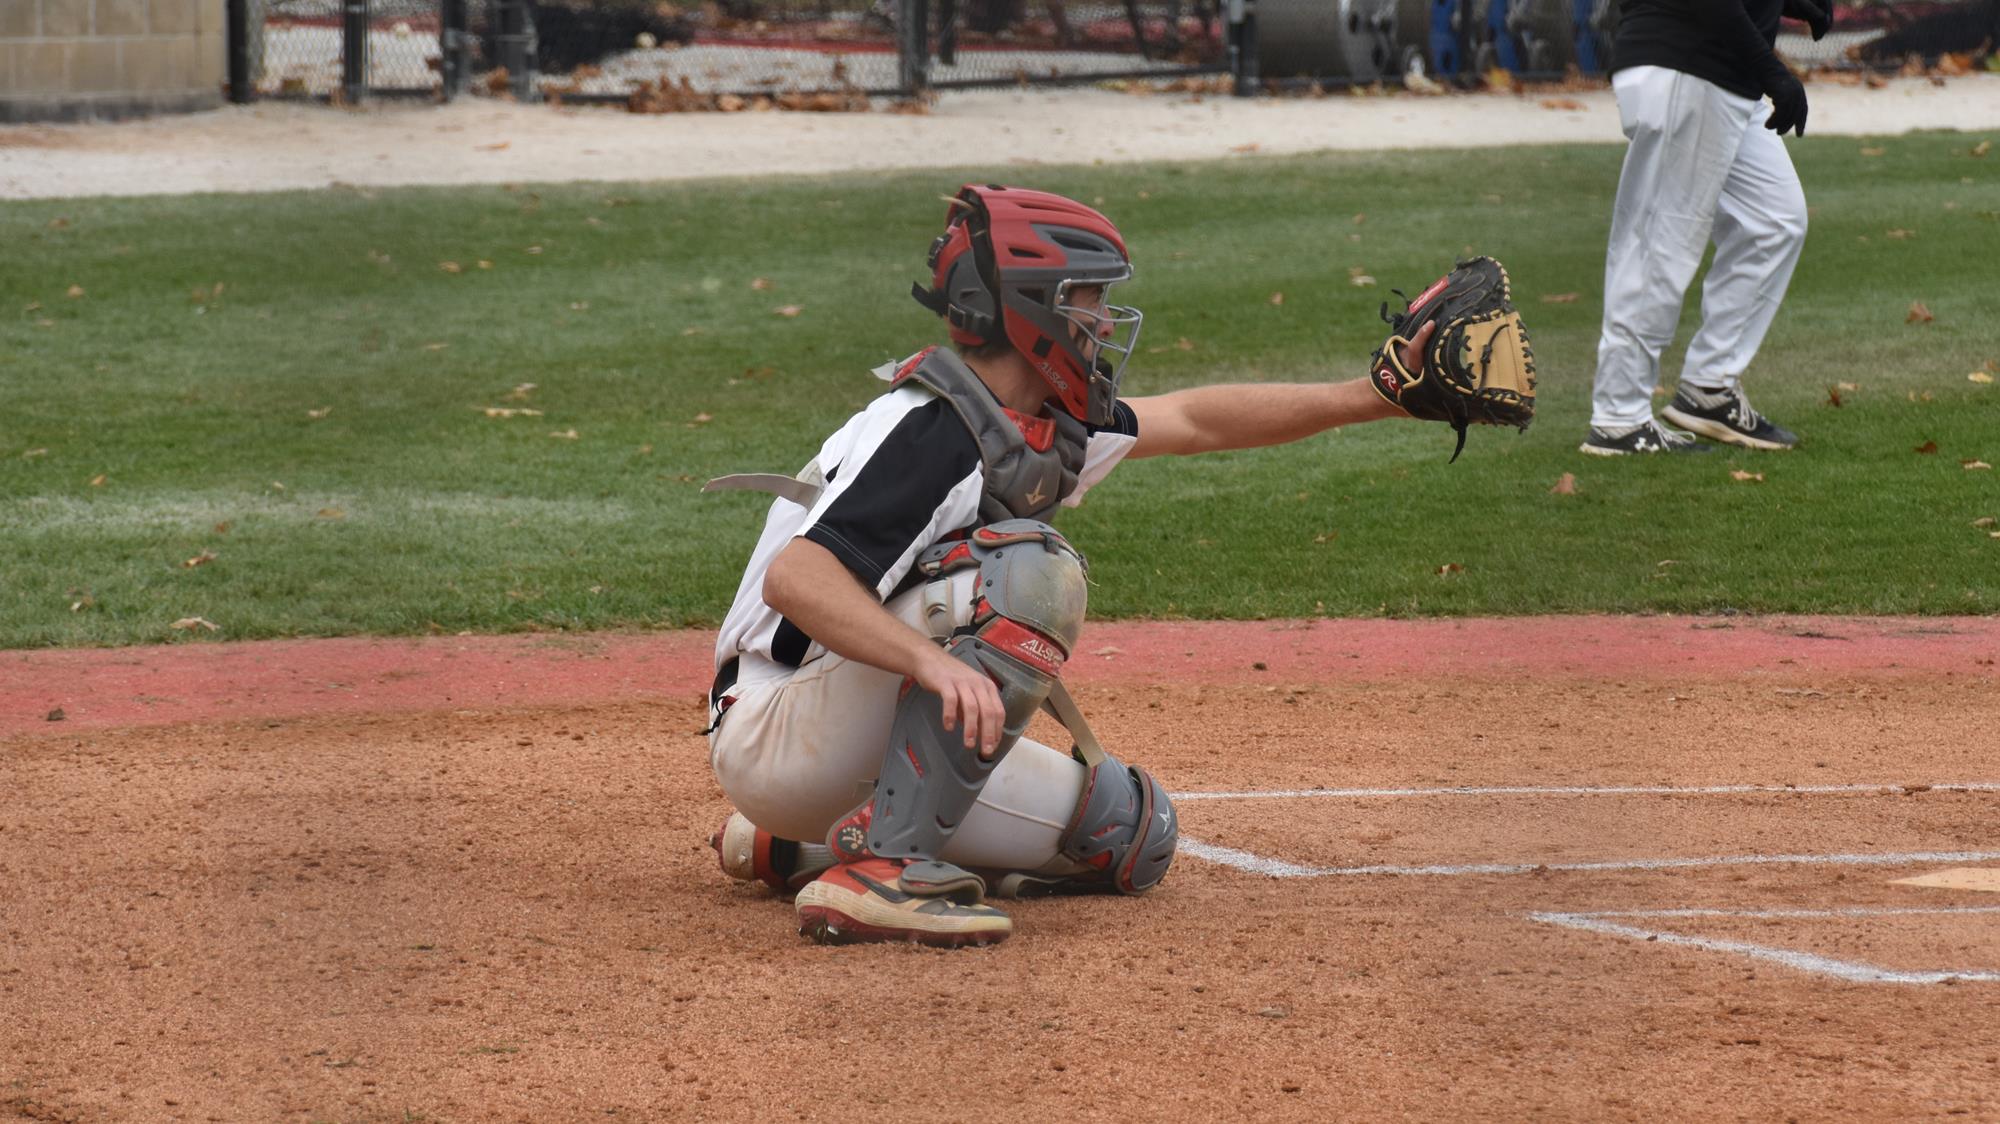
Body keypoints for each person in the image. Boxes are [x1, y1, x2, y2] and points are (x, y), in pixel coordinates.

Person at [703, 184, 1440, 949]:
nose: (1103, 323)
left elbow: (1194, 419)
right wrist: (933, 664)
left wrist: (1377, 397)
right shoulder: (932, 431)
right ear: (1033, 310)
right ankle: (883, 874)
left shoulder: (1033, 425)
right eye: (1089, 301)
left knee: (1128, 832)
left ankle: (799, 845)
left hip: (836, 745)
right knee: (1030, 572)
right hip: (780, 723)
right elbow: (798, 577)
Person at [1580, 0, 1830, 455]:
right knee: (1659, 245)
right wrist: (1772, 70)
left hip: (1724, 75)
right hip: (1684, 65)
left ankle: (1709, 388)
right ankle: (1619, 417)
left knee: (1774, 221)